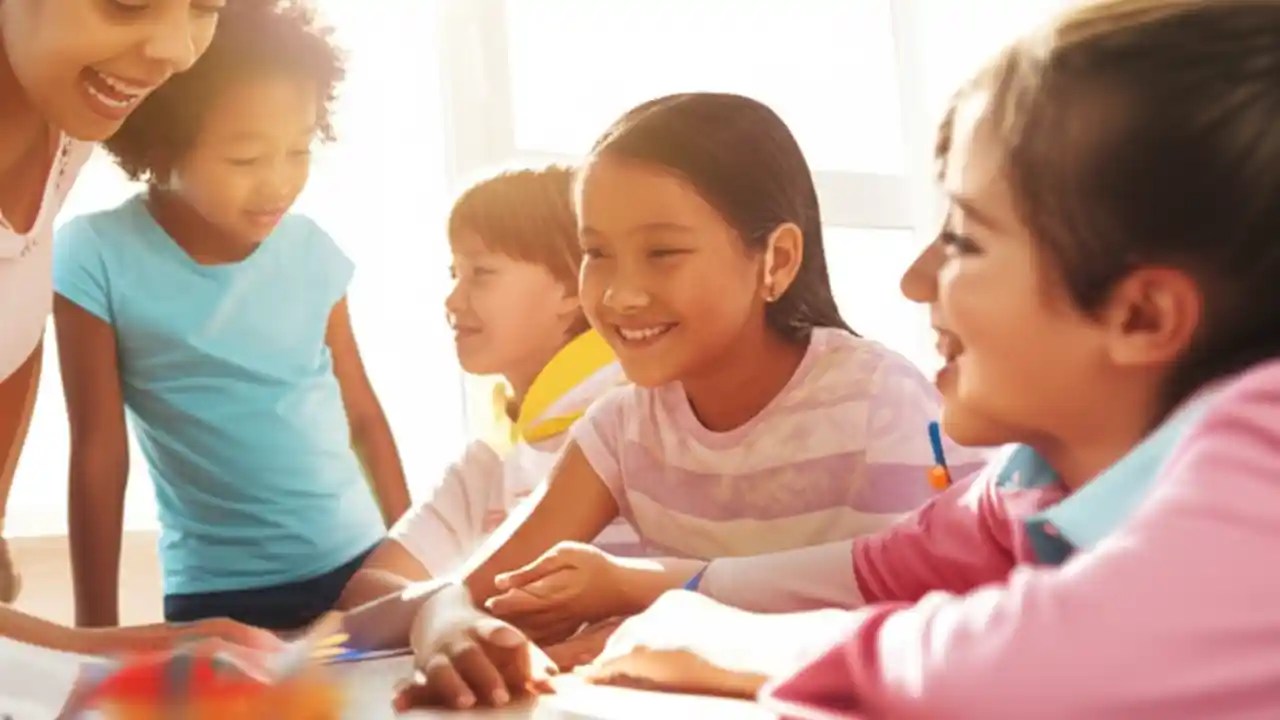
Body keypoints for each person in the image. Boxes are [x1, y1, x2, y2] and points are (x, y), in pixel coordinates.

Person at [561, 2, 1280, 717]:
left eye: (965, 239)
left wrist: (747, 647)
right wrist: (666, 599)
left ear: (1141, 316)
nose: (914, 279)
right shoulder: (1031, 482)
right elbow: (877, 571)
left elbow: (1041, 661)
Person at [379, 91, 985, 710]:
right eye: (596, 254)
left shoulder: (875, 401)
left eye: (662, 252)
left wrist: (648, 623)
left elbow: (901, 620)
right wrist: (455, 629)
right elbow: (463, 593)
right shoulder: (623, 426)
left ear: (775, 261)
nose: (619, 294)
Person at [53, 0, 406, 632]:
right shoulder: (95, 255)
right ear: (161, 145)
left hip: (362, 563)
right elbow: (98, 452)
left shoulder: (311, 251)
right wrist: (94, 633)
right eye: (245, 160)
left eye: (297, 151)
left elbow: (363, 418)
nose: (278, 184)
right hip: (217, 595)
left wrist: (417, 558)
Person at [337, 165, 639, 610]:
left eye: (481, 273)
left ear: (575, 286)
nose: (452, 301)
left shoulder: (640, 420)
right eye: (454, 273)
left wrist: (447, 605)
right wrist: (457, 610)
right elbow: (366, 594)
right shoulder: (489, 456)